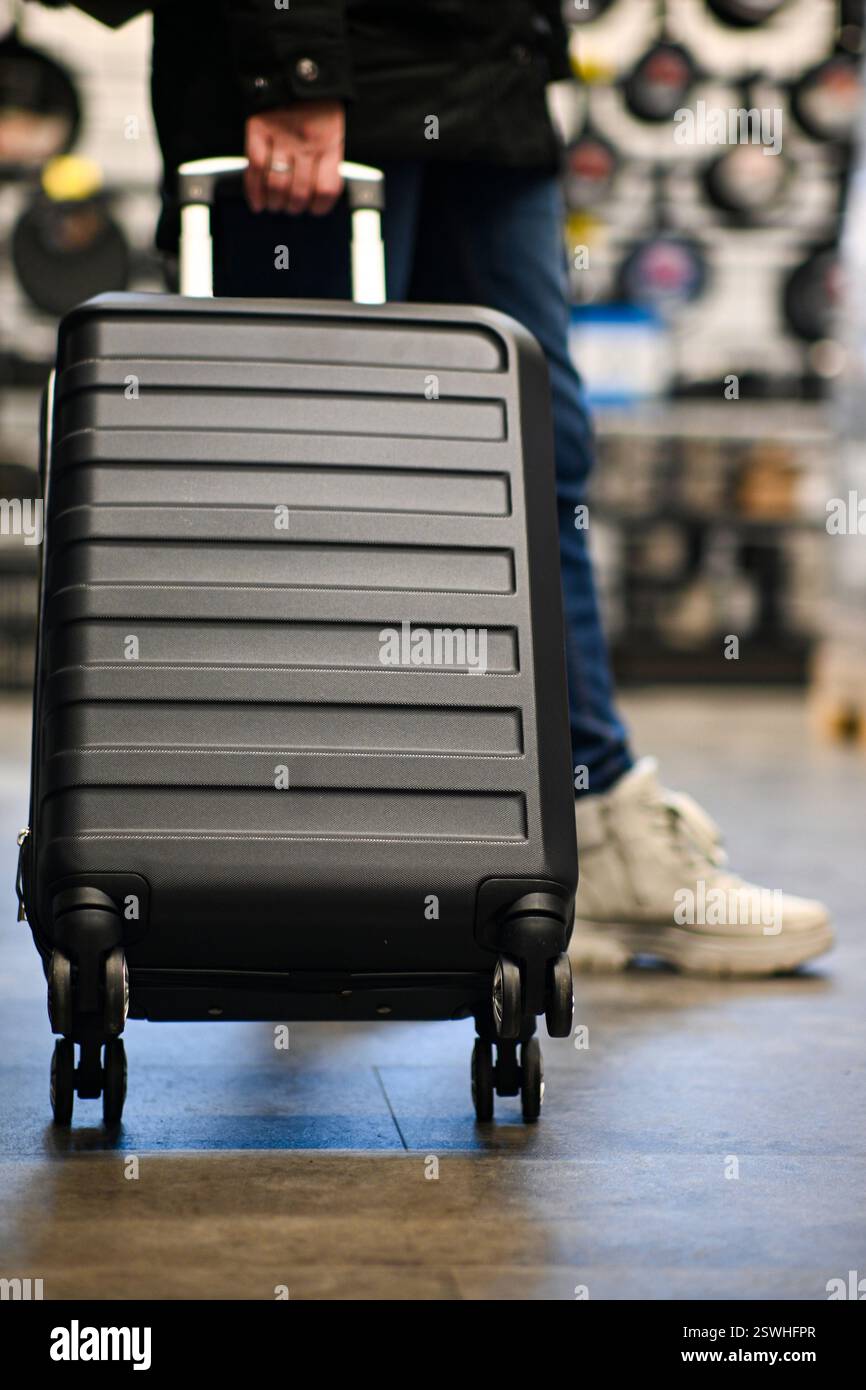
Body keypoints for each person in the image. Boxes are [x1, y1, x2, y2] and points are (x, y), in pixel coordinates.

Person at [149, 0, 832, 976]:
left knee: (534, 452)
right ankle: (298, 870)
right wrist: (294, 65)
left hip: (490, 87)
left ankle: (596, 838)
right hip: (341, 90)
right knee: (308, 476)